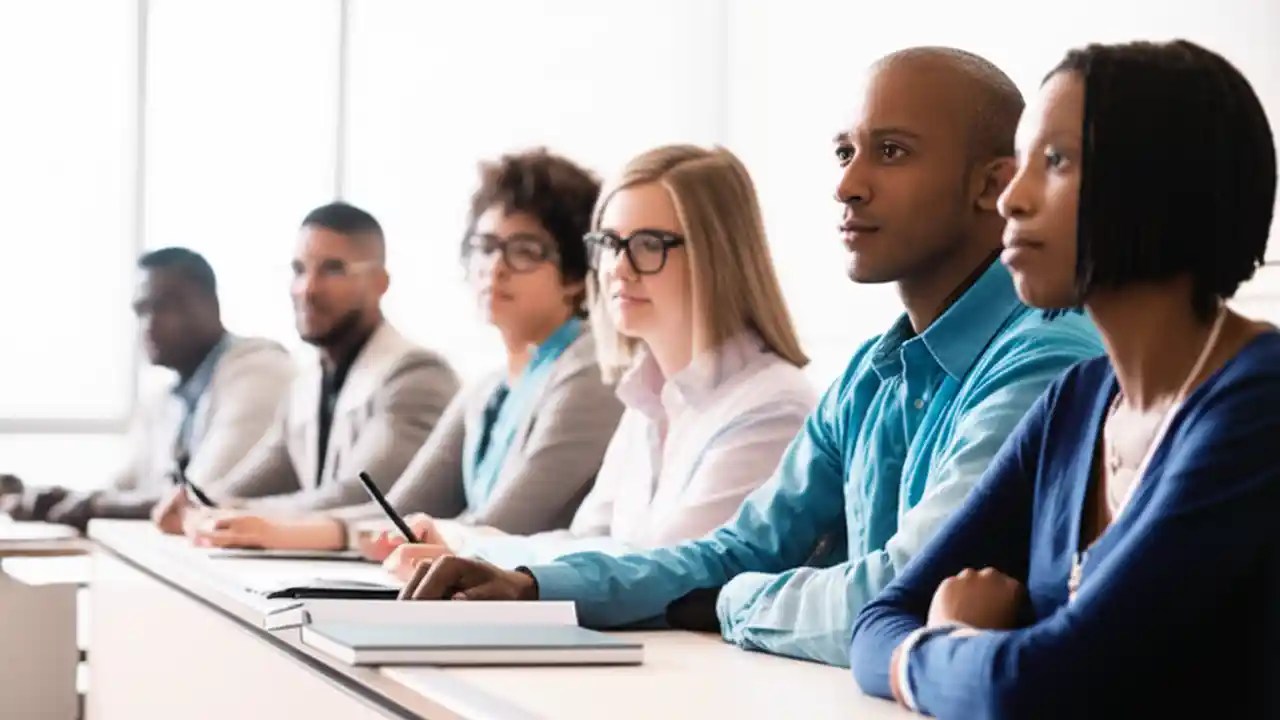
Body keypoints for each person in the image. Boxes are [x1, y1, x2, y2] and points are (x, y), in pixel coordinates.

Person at [394, 47, 1104, 668]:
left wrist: (728, 601)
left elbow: (898, 590)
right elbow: (739, 549)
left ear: (993, 185)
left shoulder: (1045, 358)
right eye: (843, 152)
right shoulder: (868, 373)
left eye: (891, 152)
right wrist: (535, 586)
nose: (847, 185)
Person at [849, 40, 1279, 718]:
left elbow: (1048, 681)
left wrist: (947, 639)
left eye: (1055, 162)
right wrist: (938, 655)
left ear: (1160, 181)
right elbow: (878, 622)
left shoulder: (1259, 400)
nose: (1012, 200)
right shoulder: (1075, 402)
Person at [378, 145, 817, 577]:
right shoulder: (646, 399)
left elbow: (669, 574)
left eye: (648, 244)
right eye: (609, 243)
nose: (618, 269)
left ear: (717, 255)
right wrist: (462, 545)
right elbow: (587, 538)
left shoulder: (771, 406)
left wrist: (476, 555)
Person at [186, 150, 624, 550]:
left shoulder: (589, 371)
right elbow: (398, 512)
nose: (496, 267)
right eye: (485, 247)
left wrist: (289, 529)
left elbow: (497, 528)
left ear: (574, 274)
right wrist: (253, 522)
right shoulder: (489, 389)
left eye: (525, 251)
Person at [153, 202, 459, 532]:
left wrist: (226, 512)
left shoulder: (417, 376)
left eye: (332, 269)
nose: (308, 289)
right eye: (299, 270)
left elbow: (360, 494)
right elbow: (253, 481)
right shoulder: (305, 387)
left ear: (380, 283)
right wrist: (200, 504)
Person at [0, 248, 293, 530]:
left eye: (164, 306)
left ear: (211, 305)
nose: (149, 324)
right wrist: (55, 498)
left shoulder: (259, 371)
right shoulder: (168, 398)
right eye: (141, 310)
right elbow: (123, 489)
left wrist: (92, 505)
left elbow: (197, 498)